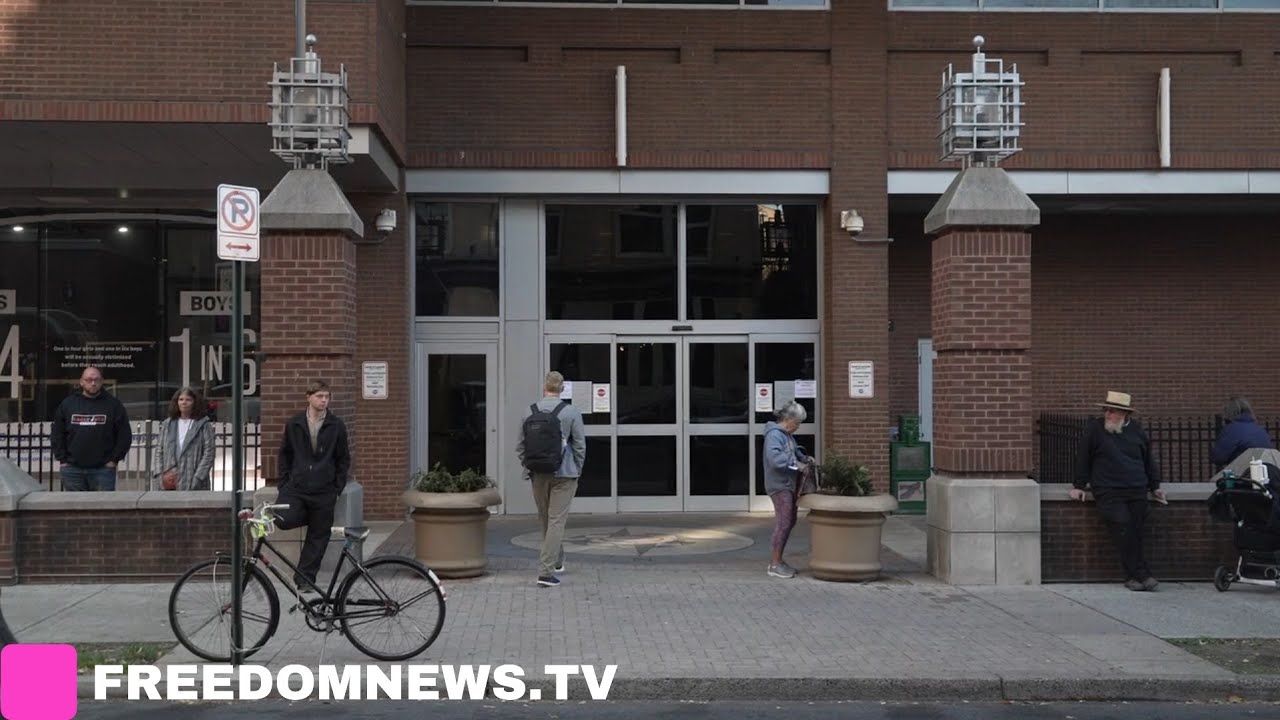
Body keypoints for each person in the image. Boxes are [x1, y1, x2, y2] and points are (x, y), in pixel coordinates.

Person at [1070, 391, 1165, 592]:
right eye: (1105, 410)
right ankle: (1142, 573)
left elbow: (1148, 459)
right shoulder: (1095, 429)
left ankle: (1132, 577)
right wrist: (1079, 485)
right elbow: (1083, 458)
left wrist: (1155, 486)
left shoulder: (1137, 431)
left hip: (1136, 487)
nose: (1107, 415)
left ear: (1124, 414)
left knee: (1135, 532)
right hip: (1108, 489)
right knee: (1123, 526)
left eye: (1112, 411)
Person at [274, 380, 351, 590]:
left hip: (325, 489)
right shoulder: (295, 423)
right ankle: (314, 517)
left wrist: (337, 488)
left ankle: (305, 580)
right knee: (281, 518)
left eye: (327, 396)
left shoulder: (336, 425)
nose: (324, 400)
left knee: (318, 537)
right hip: (297, 487)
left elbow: (343, 458)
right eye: (319, 396)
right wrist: (284, 484)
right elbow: (285, 454)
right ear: (308, 397)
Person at [516, 371, 585, 588]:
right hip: (565, 474)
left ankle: (557, 561)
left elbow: (520, 446)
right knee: (557, 520)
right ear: (562, 388)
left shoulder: (529, 411)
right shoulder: (571, 412)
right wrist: (577, 468)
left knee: (546, 518)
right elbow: (580, 445)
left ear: (544, 387)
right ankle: (545, 572)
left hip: (538, 473)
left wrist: (530, 465)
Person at [51, 366, 132, 491]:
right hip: (73, 469)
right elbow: (57, 433)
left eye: (97, 380)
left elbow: (124, 435)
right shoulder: (68, 404)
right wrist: (63, 460)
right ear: (81, 382)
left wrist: (113, 460)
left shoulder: (113, 405)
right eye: (89, 380)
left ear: (102, 381)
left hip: (103, 470)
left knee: (103, 508)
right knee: (74, 508)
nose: (93, 383)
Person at [762, 400, 811, 579]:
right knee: (784, 522)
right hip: (780, 485)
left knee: (789, 522)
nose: (797, 427)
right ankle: (774, 564)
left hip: (788, 484)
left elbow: (793, 451)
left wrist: (804, 458)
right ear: (788, 419)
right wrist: (796, 465)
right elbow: (775, 459)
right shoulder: (775, 435)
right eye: (797, 423)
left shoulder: (786, 435)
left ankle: (778, 561)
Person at [152, 386, 216, 491]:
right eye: (181, 399)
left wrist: (198, 477)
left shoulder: (203, 424)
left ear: (195, 402)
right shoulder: (167, 424)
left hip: (193, 480)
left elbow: (209, 452)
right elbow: (159, 450)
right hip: (170, 480)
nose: (184, 403)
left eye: (188, 400)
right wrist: (160, 475)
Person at [1211, 396, 1275, 470]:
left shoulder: (1232, 430)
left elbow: (1218, 458)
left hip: (1242, 474)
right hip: (1264, 472)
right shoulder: (1260, 430)